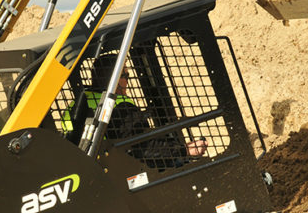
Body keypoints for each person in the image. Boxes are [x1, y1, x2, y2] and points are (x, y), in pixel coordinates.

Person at [63, 53, 207, 167]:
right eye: (125, 76)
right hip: (121, 173)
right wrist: (185, 150)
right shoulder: (117, 106)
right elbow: (145, 148)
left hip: (92, 170)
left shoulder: (74, 107)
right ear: (114, 79)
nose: (127, 82)